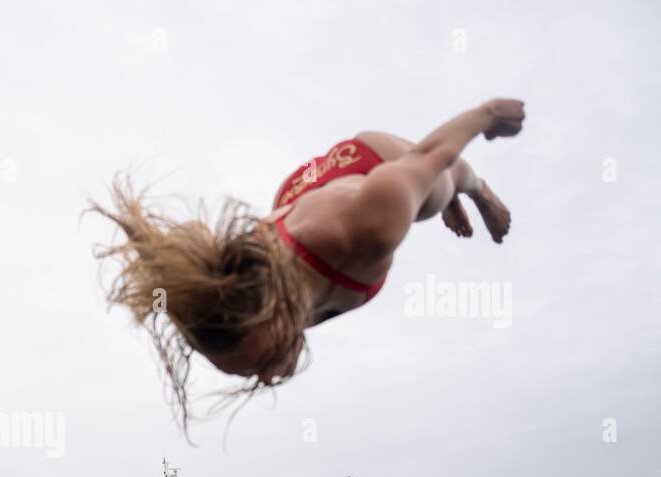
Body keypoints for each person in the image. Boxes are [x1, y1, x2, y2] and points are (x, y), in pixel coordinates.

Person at [91, 99, 526, 423]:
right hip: (292, 208)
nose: (265, 380)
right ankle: (428, 192)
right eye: (252, 376)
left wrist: (486, 117)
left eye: (261, 366)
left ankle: (467, 192)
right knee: (420, 192)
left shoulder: (366, 228)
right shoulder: (231, 312)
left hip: (363, 162)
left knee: (439, 184)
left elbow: (432, 154)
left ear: (273, 310)